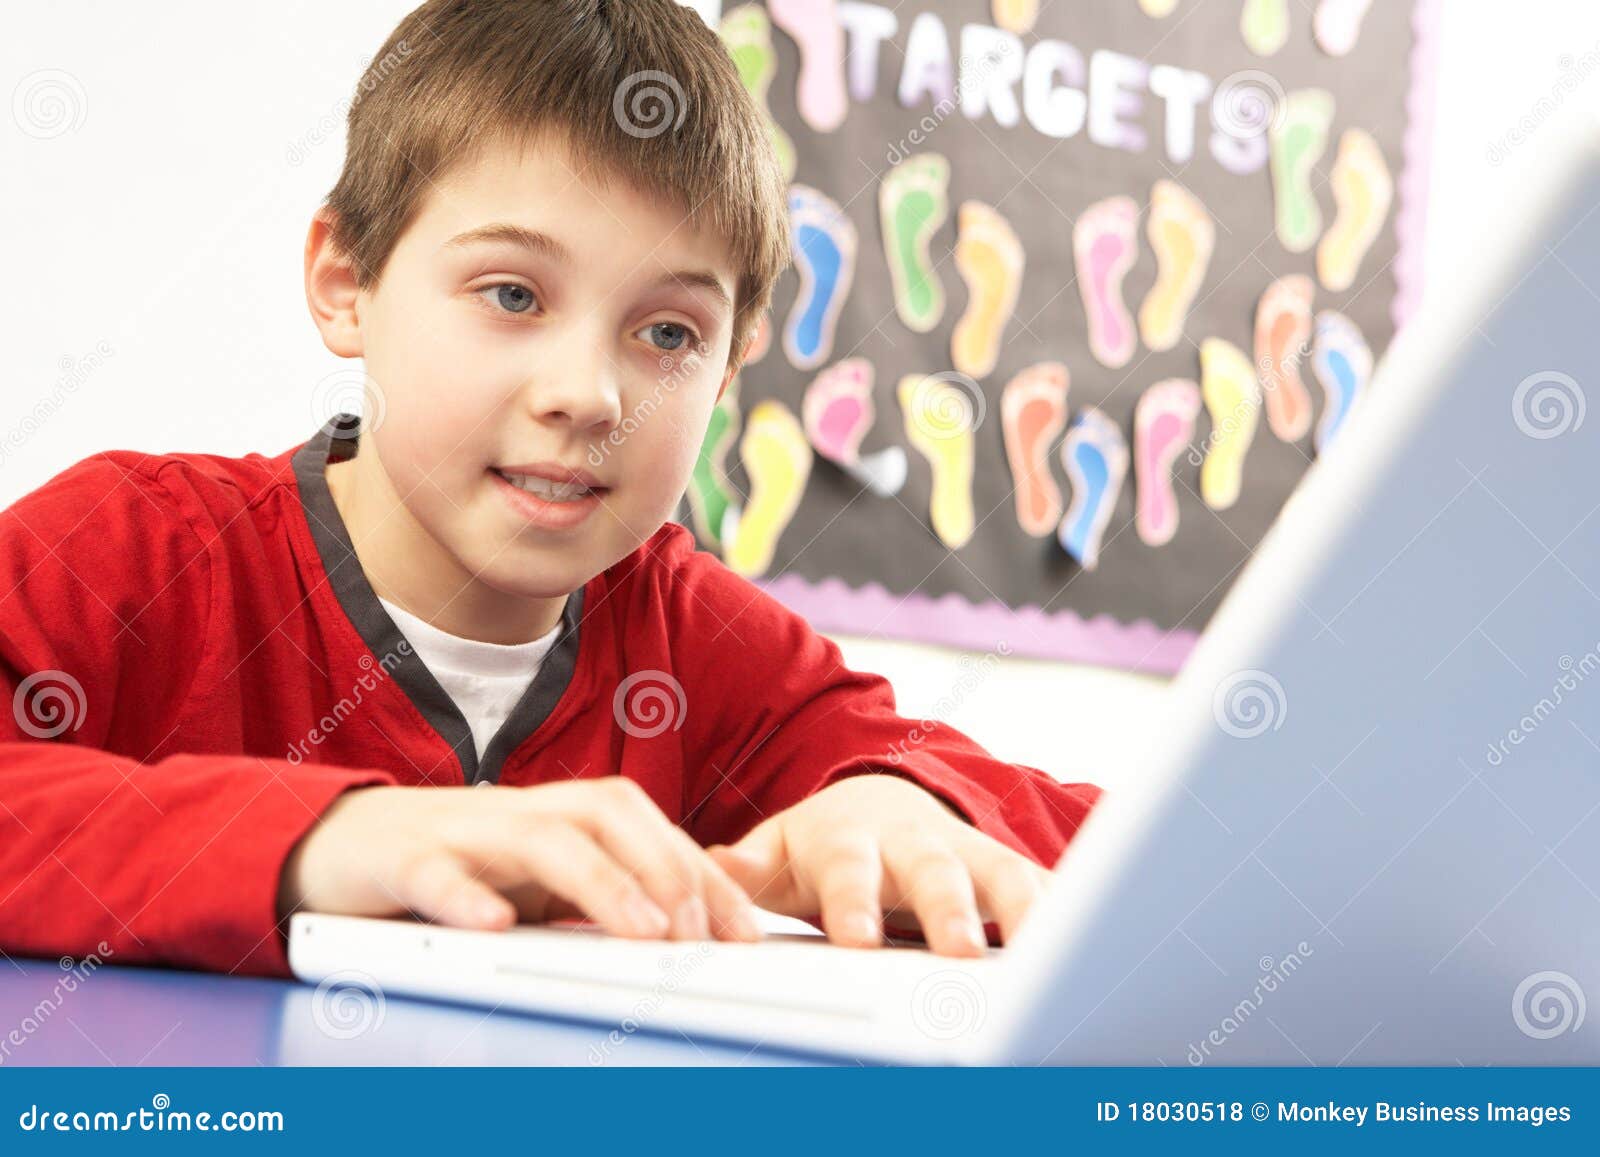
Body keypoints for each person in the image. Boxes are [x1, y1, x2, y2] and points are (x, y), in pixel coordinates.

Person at [0, 0, 1100, 978]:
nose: (587, 393)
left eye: (668, 331)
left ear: (728, 367)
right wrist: (330, 839)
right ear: (347, 284)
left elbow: (1110, 844)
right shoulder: (134, 549)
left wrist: (909, 805)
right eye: (513, 293)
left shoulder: (701, 642)